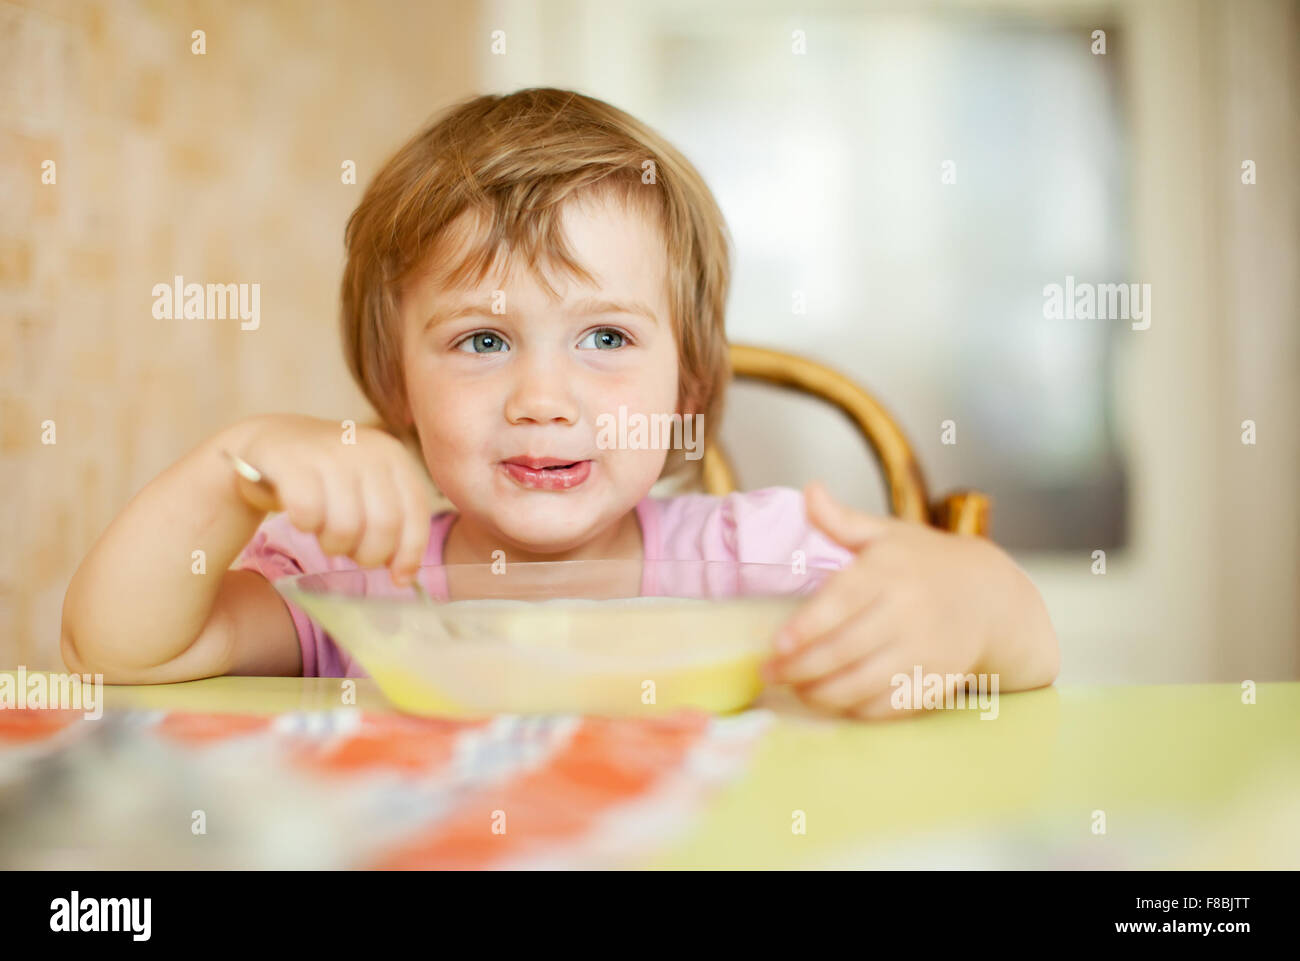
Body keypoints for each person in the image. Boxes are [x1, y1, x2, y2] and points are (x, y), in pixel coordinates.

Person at [60, 88, 1058, 719]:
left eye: (608, 338)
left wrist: (966, 603)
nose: (543, 398)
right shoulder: (352, 583)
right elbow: (121, 648)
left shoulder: (760, 562)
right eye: (483, 341)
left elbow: (1028, 642)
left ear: (689, 386)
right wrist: (232, 467)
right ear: (395, 389)